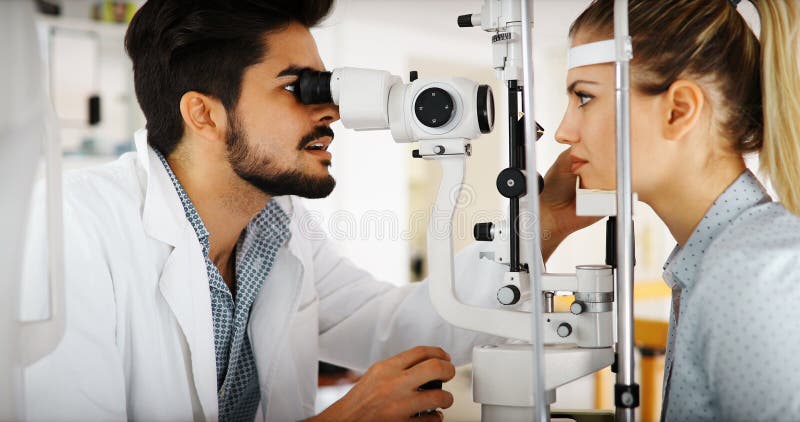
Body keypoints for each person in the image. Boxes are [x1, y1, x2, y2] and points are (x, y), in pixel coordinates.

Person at [19, 1, 592, 420]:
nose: (332, 112)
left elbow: (397, 327)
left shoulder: (279, 228)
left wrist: (540, 224)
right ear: (204, 114)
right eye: (301, 87)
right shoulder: (73, 231)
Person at [555, 0, 800, 420]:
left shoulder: (749, 275)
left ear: (679, 110)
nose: (563, 132)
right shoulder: (710, 263)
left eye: (584, 98)